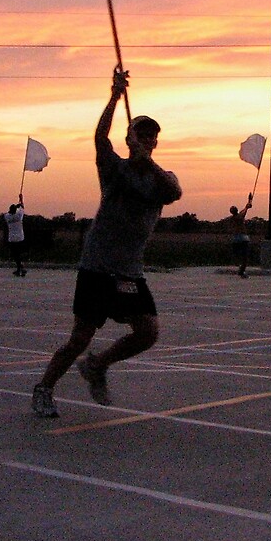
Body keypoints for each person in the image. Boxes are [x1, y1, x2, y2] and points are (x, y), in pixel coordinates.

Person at [32, 67, 182, 419]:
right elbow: (100, 137)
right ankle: (44, 388)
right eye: (140, 134)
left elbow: (174, 193)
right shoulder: (114, 169)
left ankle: (98, 365)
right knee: (79, 337)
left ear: (156, 142)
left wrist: (150, 164)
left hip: (129, 271)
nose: (146, 139)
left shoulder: (163, 178)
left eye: (151, 136)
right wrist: (114, 97)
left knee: (147, 332)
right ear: (130, 139)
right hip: (97, 266)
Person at [228, 194, 253, 277]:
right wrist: (249, 202)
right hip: (242, 238)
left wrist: (248, 201)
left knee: (239, 255)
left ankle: (241, 269)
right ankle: (242, 270)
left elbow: (244, 210)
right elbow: (244, 211)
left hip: (236, 238)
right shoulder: (239, 217)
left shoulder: (232, 218)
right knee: (245, 256)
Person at [4, 193, 27, 277]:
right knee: (18, 254)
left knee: (15, 254)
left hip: (12, 238)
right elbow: (22, 207)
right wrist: (21, 199)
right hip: (20, 237)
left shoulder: (7, 217)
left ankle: (20, 268)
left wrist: (16, 206)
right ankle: (20, 268)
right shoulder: (18, 215)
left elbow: (8, 213)